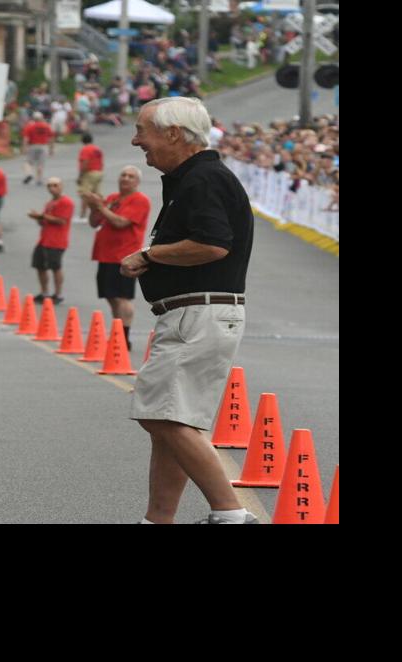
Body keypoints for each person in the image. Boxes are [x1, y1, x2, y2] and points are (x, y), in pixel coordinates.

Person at [121, 96, 256, 524]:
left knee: (161, 415)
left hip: (198, 313)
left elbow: (213, 244)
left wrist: (151, 254)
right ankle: (158, 518)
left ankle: (231, 515)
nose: (136, 139)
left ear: (174, 133)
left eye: (143, 130)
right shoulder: (197, 177)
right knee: (171, 423)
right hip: (199, 313)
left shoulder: (204, 179)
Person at [82, 165, 150, 349]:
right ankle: (118, 332)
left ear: (137, 182)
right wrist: (94, 208)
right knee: (110, 295)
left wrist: (100, 208)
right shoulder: (113, 198)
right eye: (123, 175)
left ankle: (124, 336)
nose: (126, 178)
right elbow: (94, 222)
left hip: (124, 255)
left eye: (131, 176)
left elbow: (121, 222)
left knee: (123, 297)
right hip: (105, 254)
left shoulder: (139, 200)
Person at [28, 176, 73, 305]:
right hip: (44, 239)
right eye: (49, 186)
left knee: (55, 267)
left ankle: (58, 293)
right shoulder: (50, 203)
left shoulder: (66, 202)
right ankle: (45, 292)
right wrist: (38, 218)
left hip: (57, 241)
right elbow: (44, 221)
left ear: (61, 186)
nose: (52, 188)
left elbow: (61, 220)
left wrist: (42, 216)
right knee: (40, 266)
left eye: (55, 185)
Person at [21, 111, 54, 185]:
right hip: (43, 146)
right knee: (40, 164)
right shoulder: (46, 126)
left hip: (33, 146)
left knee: (28, 162)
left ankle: (29, 174)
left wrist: (24, 148)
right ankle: (39, 179)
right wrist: (51, 149)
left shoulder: (29, 126)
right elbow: (51, 138)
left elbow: (26, 138)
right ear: (41, 118)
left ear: (34, 118)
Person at [76, 132, 104, 218]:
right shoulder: (97, 149)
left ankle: (83, 215)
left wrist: (80, 176)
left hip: (89, 173)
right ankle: (100, 213)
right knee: (96, 195)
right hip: (98, 172)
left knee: (85, 194)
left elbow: (85, 162)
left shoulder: (85, 149)